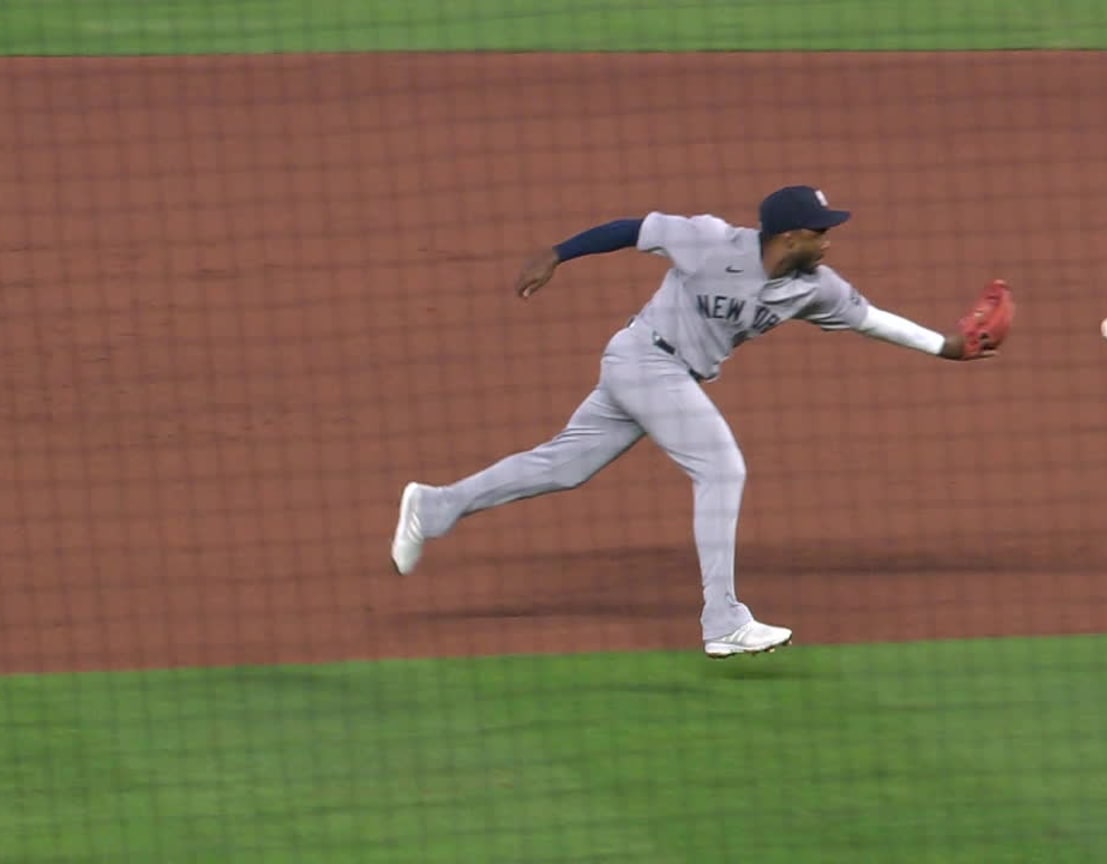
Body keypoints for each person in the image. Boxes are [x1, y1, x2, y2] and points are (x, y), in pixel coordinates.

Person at [390, 185, 1014, 659]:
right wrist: (557, 254)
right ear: (791, 235)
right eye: (821, 232)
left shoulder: (815, 289)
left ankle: (435, 505)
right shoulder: (713, 241)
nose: (829, 241)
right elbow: (634, 229)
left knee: (563, 464)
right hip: (642, 358)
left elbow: (873, 319)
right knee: (722, 467)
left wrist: (948, 347)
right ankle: (724, 620)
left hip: (666, 376)